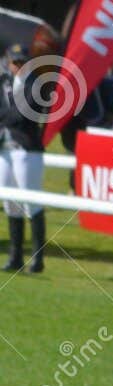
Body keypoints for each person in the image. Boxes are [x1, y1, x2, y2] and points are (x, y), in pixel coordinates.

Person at [0, 44, 46, 272]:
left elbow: (22, 116)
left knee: (31, 202)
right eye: (14, 62)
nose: (18, 67)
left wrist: (4, 117)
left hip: (26, 150)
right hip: (5, 149)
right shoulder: (5, 84)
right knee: (10, 203)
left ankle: (38, 258)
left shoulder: (36, 85)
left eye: (21, 62)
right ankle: (15, 256)